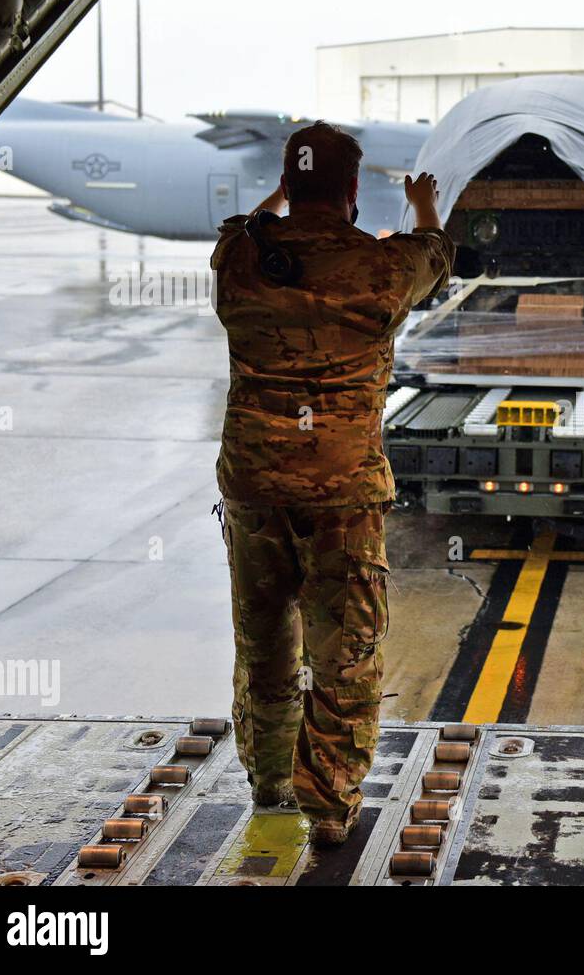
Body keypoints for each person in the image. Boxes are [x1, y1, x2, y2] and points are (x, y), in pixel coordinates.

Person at [210, 121, 455, 846]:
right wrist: (421, 205)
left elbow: (247, 225)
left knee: (265, 641)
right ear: (352, 190)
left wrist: (279, 200)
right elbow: (437, 254)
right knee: (344, 652)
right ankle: (329, 808)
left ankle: (269, 780)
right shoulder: (378, 269)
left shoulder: (241, 259)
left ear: (289, 184)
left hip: (254, 484)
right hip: (340, 491)